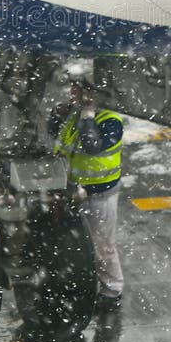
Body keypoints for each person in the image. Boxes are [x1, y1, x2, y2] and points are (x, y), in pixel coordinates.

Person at [49, 77, 124, 311]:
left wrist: (88, 118)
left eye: (77, 89)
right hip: (73, 190)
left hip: (99, 194)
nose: (71, 92)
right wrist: (56, 115)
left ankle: (112, 290)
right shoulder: (74, 114)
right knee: (72, 241)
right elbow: (55, 134)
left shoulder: (110, 120)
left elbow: (92, 145)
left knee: (102, 246)